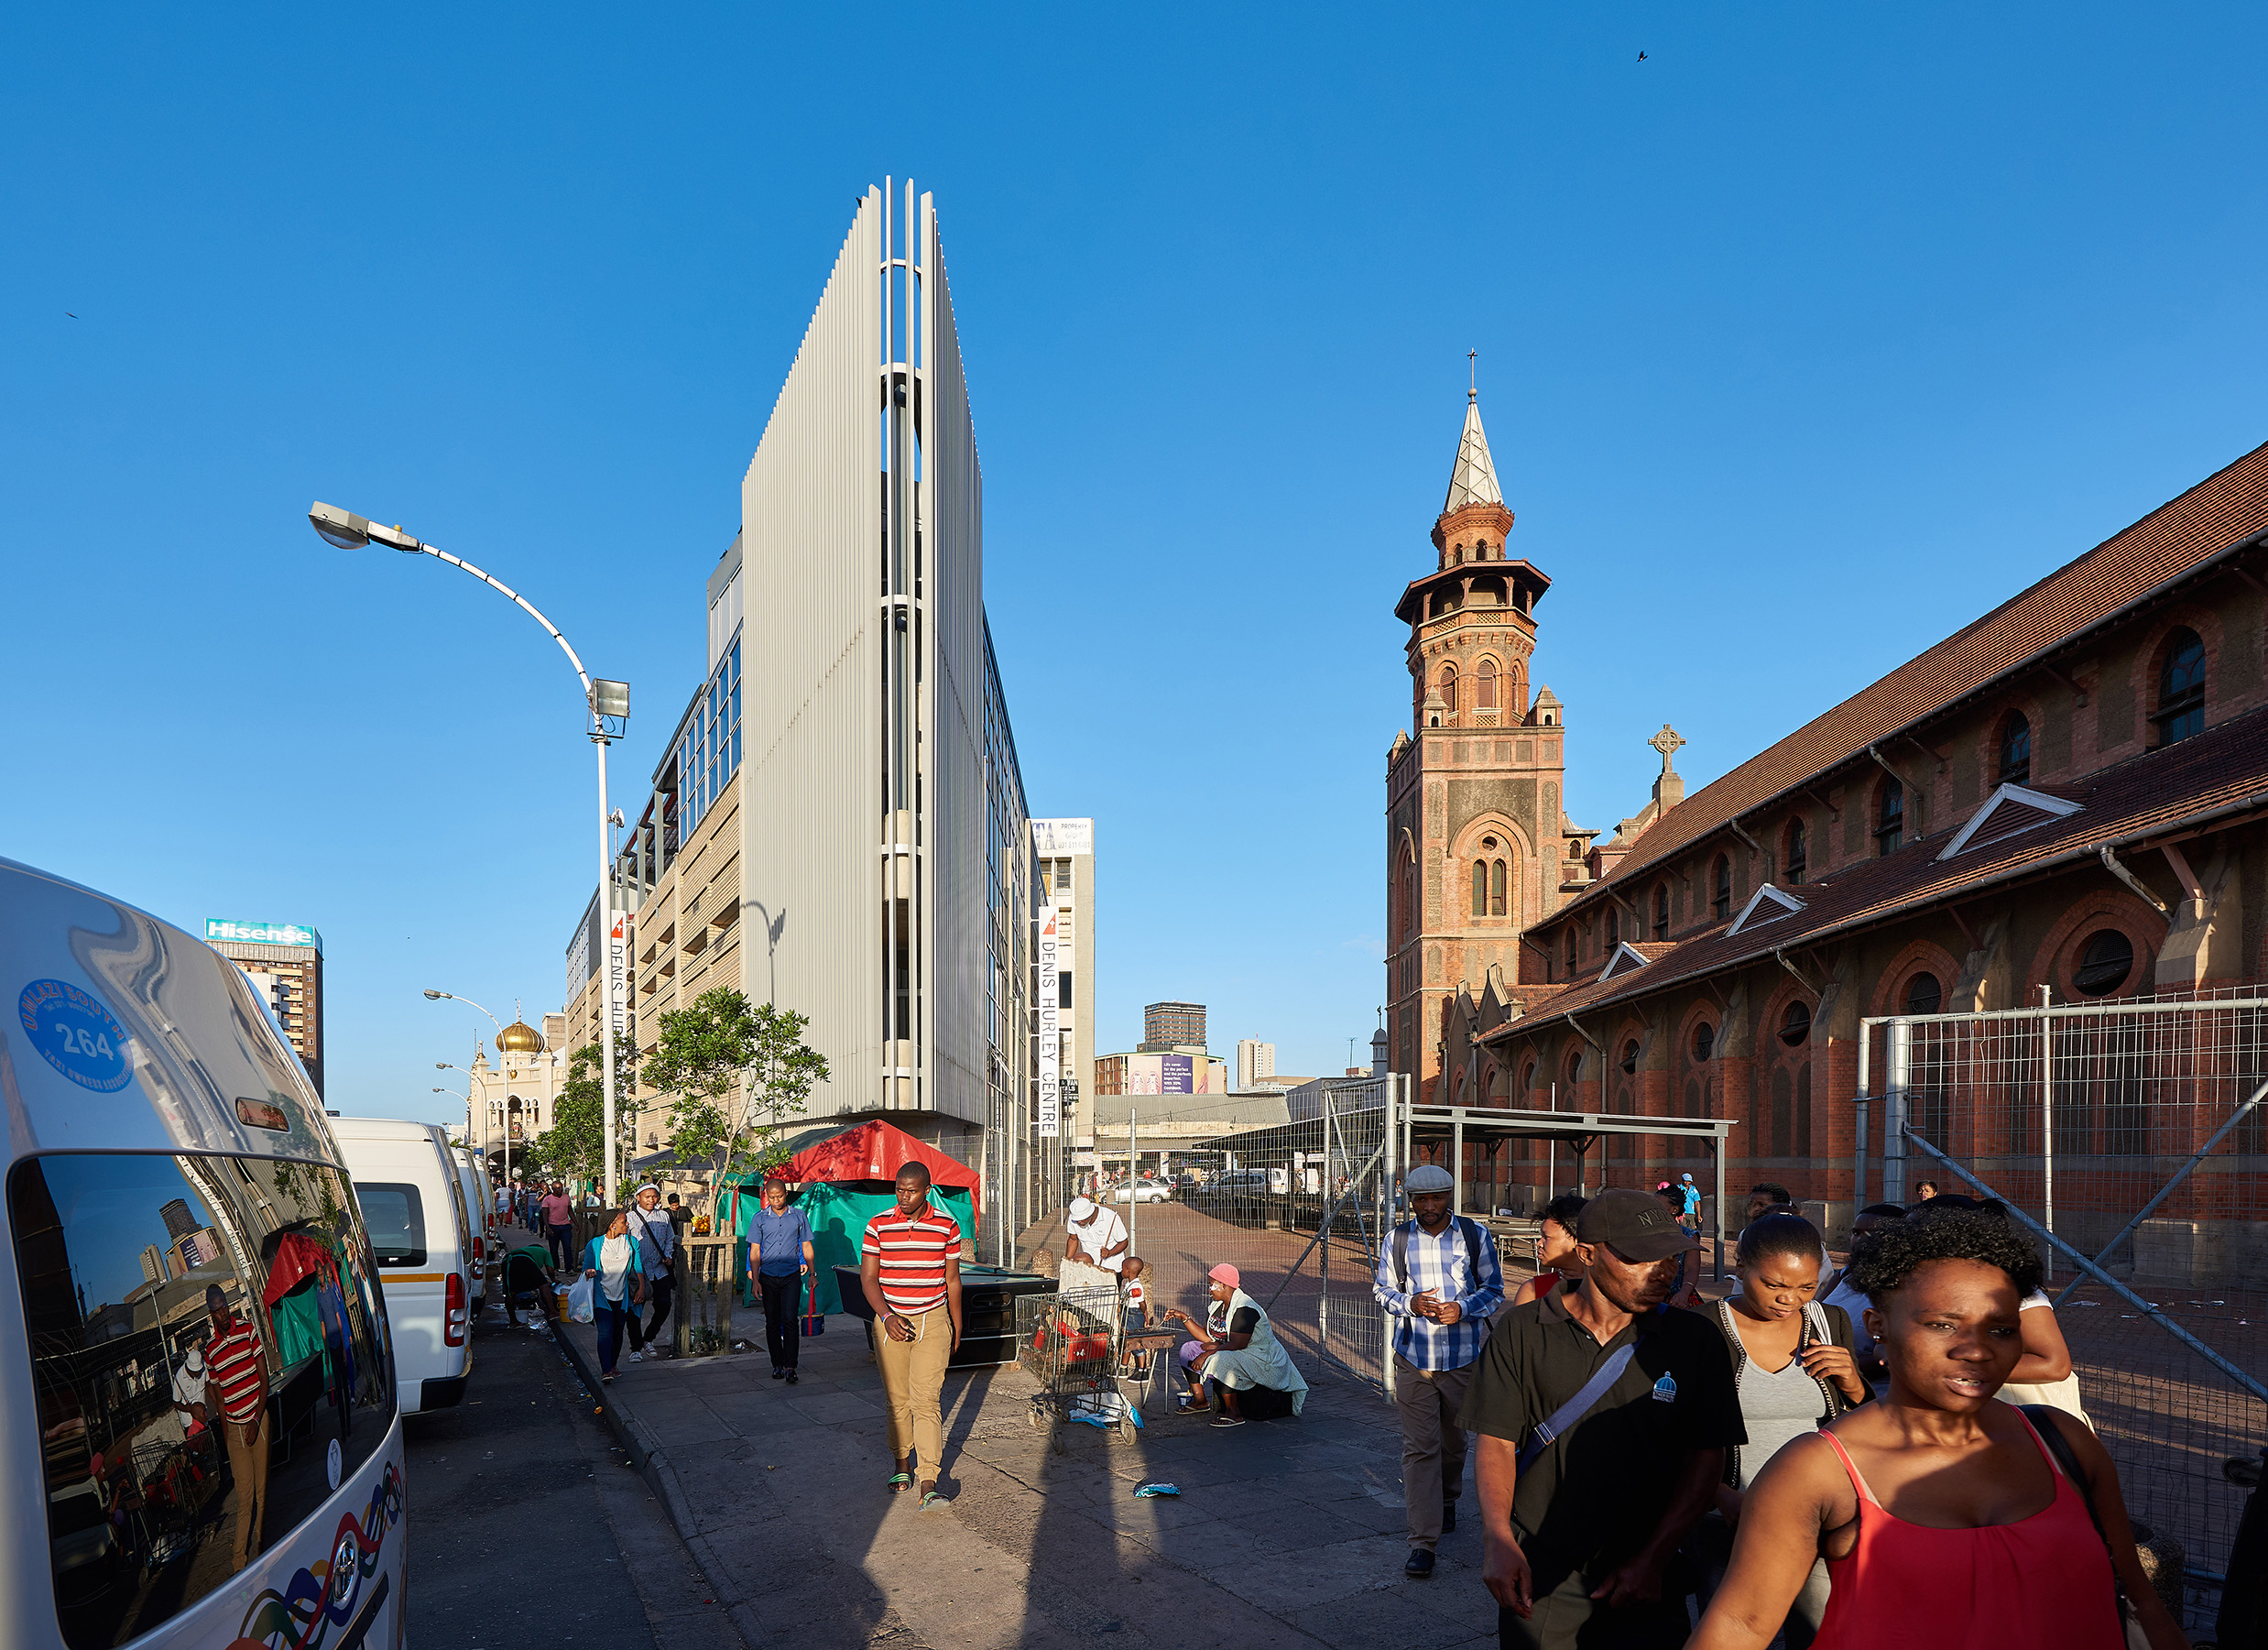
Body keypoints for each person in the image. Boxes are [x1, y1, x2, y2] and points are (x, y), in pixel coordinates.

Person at [1689, 1207, 2186, 1650]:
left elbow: (2141, 1601)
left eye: (2001, 1329)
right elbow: (1742, 1625)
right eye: (1943, 1325)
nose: (1976, 1350)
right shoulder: (1814, 1469)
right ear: (1878, 1324)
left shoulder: (2062, 1443)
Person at [1462, 1187, 1742, 1650]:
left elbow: (1706, 1454)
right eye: (1641, 1259)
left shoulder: (1695, 1339)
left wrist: (1654, 1559)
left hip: (1652, 1571)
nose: (1664, 1273)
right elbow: (1495, 1439)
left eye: (1672, 1258)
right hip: (1544, 1570)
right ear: (1588, 1254)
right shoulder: (1524, 1330)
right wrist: (1497, 1539)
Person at [1692, 1213, 1870, 1648]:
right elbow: (1674, 1430)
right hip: (1727, 1520)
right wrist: (1718, 1495)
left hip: (1819, 1521)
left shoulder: (1830, 1323)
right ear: (1740, 1267)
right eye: (1774, 1285)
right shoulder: (1702, 1329)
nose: (1790, 1300)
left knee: (1819, 1635)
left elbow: (1863, 1426)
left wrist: (1854, 1385)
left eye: (1806, 1287)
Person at [1373, 1163, 1506, 1579]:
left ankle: (1448, 1498)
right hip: (1413, 1358)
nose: (1429, 1206)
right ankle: (1422, 1543)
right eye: (1420, 1199)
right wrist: (1410, 1304)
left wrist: (1461, 1308)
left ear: (1450, 1196)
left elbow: (1494, 1289)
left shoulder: (1474, 1235)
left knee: (1454, 1443)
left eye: (1437, 1198)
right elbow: (1382, 1289)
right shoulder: (1397, 1239)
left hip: (1463, 1360)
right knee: (1420, 1448)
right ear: (1410, 1200)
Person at [859, 1163, 963, 1511]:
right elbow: (869, 1279)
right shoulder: (878, 1225)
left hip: (932, 1321)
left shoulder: (947, 1226)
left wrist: (956, 1322)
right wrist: (887, 1316)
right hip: (891, 1321)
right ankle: (901, 1463)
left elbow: (951, 1280)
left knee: (926, 1401)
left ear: (927, 1189)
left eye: (912, 1190)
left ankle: (929, 1481)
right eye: (900, 1190)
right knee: (898, 1400)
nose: (904, 1196)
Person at [1166, 1262, 1309, 1426]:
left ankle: (1234, 1413)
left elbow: (1238, 1344)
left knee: (1221, 1359)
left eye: (1212, 1285)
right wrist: (1184, 1317)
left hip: (1261, 1357)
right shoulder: (1216, 1305)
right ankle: (1200, 1401)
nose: (1209, 1289)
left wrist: (1209, 1352)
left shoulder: (1245, 1308)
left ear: (1224, 1286)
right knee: (1188, 1349)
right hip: (1232, 1349)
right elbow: (1207, 1337)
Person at [203, 1284, 272, 1573]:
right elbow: (219, 1402)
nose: (224, 1313)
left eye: (225, 1306)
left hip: (258, 1419)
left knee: (263, 1491)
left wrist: (256, 1420)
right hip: (235, 1429)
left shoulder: (247, 1330)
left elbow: (264, 1379)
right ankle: (238, 1564)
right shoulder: (210, 1352)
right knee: (244, 1496)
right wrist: (228, 1437)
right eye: (218, 1309)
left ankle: (262, 1547)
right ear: (211, 1314)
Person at [1821, 1205, 1906, 1388]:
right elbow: (1814, 1312)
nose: (1859, 1240)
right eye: (1856, 1233)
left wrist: (1838, 1368)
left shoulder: (1904, 1288)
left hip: (1870, 1389)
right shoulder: (1845, 1275)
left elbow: (1888, 1356)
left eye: (1872, 1233)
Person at [749, 1178, 815, 1382]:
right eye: (771, 1197)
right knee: (772, 1321)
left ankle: (790, 1366)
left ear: (786, 1194)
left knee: (790, 1319)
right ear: (766, 1196)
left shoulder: (798, 1216)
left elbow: (806, 1245)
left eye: (779, 1196)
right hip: (768, 1276)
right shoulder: (759, 1219)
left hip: (791, 1276)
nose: (776, 1200)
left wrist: (813, 1273)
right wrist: (755, 1279)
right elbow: (755, 1251)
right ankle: (776, 1364)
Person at [581, 1209, 645, 1384]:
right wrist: (589, 1271)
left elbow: (638, 1266)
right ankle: (606, 1370)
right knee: (605, 1333)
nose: (627, 1224)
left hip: (623, 1296)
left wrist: (641, 1288)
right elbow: (585, 1268)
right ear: (612, 1224)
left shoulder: (631, 1242)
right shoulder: (594, 1245)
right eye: (624, 1222)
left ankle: (613, 1365)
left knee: (618, 1333)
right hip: (602, 1295)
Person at [624, 1182, 680, 1363]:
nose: (651, 1200)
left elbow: (670, 1238)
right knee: (635, 1310)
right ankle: (635, 1348)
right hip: (637, 1271)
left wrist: (669, 1255)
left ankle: (648, 1338)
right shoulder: (629, 1218)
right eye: (647, 1197)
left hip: (659, 1269)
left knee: (664, 1305)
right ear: (638, 1198)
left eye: (654, 1196)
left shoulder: (663, 1215)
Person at [1512, 1193, 1588, 1309]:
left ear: (1577, 1241)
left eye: (1546, 1237)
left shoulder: (1608, 1291)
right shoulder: (1533, 1291)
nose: (1539, 1244)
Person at [1060, 1194, 1129, 1297]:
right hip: (1089, 1268)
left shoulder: (1110, 1218)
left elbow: (1124, 1242)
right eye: (1077, 1219)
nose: (1079, 1221)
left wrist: (1110, 1252)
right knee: (1087, 1302)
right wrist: (1068, 1263)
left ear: (1091, 1213)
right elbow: (1073, 1239)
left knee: (1109, 1304)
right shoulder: (1074, 1219)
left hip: (1110, 1268)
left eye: (1082, 1219)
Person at [498, 1240, 557, 1327]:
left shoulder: (525, 1249)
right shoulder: (544, 1251)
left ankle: (513, 1321)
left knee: (511, 1291)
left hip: (507, 1261)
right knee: (543, 1284)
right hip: (524, 1259)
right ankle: (552, 1312)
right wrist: (553, 1281)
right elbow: (550, 1270)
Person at [541, 1180, 575, 1273]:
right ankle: (555, 1268)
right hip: (553, 1226)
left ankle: (569, 1268)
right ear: (553, 1189)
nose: (560, 1190)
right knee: (553, 1248)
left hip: (565, 1226)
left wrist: (576, 1224)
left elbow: (570, 1211)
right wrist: (547, 1227)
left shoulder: (566, 1198)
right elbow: (545, 1214)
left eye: (561, 1187)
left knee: (567, 1247)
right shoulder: (547, 1199)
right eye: (558, 1188)